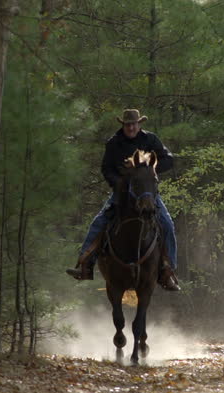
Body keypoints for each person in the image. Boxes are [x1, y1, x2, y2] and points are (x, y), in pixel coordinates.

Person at [66, 109, 180, 291]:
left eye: (134, 124)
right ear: (123, 125)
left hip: (147, 193)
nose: (131, 127)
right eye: (128, 124)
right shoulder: (114, 143)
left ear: (139, 124)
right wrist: (117, 182)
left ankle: (168, 271)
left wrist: (150, 168)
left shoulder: (150, 140)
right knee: (99, 222)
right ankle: (85, 265)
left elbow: (169, 159)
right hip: (122, 194)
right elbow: (106, 168)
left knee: (167, 223)